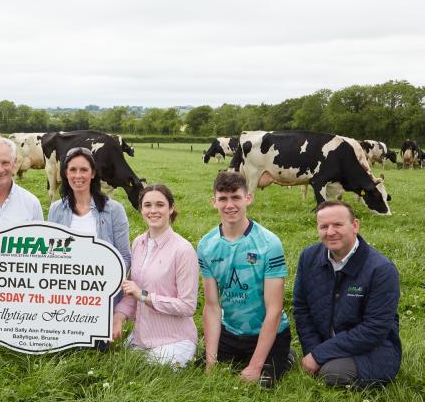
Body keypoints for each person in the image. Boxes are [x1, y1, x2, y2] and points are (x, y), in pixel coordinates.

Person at [197, 171, 292, 387]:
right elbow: (212, 307)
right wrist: (210, 364)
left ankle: (283, 355)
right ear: (214, 202)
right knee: (202, 365)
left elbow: (275, 309)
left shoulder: (269, 243)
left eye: (236, 197)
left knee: (263, 384)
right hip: (231, 332)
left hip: (268, 332)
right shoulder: (206, 245)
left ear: (248, 198)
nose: (229, 205)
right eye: (223, 198)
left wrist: (255, 366)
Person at [293, 200, 401, 387]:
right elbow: (301, 308)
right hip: (326, 343)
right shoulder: (308, 257)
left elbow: (374, 329)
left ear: (355, 226)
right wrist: (312, 351)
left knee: (332, 373)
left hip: (372, 349)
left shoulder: (382, 269)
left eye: (338, 225)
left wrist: (319, 355)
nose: (330, 232)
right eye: (324, 226)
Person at [112, 184, 198, 367]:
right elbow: (131, 292)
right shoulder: (138, 243)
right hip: (141, 338)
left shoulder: (183, 250)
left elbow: (188, 306)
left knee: (147, 373)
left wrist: (144, 295)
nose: (153, 210)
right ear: (141, 209)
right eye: (147, 205)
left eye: (160, 205)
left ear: (171, 208)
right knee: (121, 365)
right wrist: (118, 318)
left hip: (174, 340)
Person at [47, 146, 131, 272]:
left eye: (84, 170)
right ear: (66, 173)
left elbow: (125, 257)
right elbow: (51, 255)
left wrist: (106, 281)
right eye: (73, 170)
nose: (78, 175)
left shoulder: (114, 210)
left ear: (93, 173)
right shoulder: (56, 209)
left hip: (102, 287)